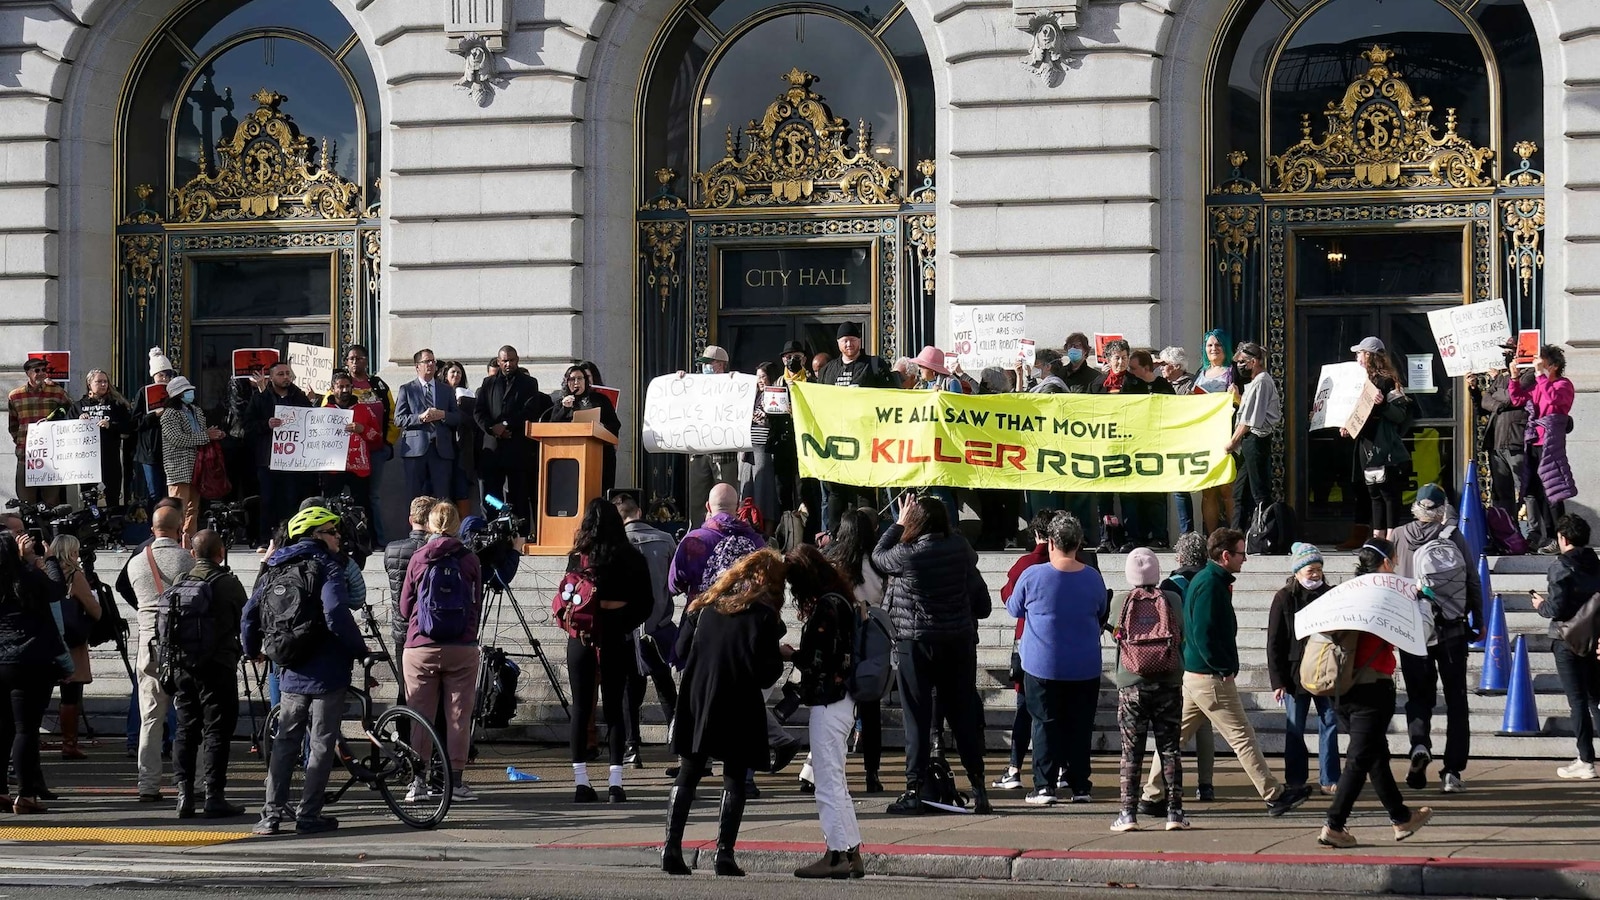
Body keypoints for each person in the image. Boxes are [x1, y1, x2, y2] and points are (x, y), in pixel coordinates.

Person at [1141, 528, 1310, 817]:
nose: (1245, 559)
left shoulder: (1208, 579)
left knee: (1174, 738)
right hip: (1209, 676)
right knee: (1242, 736)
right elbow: (1204, 634)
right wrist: (1222, 668)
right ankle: (1273, 795)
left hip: (1195, 675)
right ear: (1225, 555)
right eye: (1242, 553)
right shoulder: (1210, 584)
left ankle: (1152, 796)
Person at [661, 549, 787, 878]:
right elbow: (767, 673)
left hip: (699, 693)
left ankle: (671, 847)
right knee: (734, 776)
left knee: (689, 770)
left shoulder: (705, 604)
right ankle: (724, 854)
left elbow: (681, 650)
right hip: (739, 696)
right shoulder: (764, 614)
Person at [244, 505, 367, 835]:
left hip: (290, 667)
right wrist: (360, 650)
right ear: (316, 535)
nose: (338, 538)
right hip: (327, 669)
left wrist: (251, 649)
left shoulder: (274, 565)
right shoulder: (328, 565)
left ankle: (270, 816)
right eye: (333, 532)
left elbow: (249, 613)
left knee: (285, 741)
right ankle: (308, 815)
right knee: (323, 742)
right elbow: (336, 613)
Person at [873, 496, 992, 815]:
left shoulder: (907, 554)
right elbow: (982, 602)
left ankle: (914, 787)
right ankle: (979, 785)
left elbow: (878, 556)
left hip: (916, 641)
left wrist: (898, 522)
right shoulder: (961, 549)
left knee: (917, 716)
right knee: (962, 713)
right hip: (957, 641)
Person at [1317, 537, 1433, 849]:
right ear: (1385, 563)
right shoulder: (1388, 593)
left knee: (1375, 756)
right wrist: (1422, 601)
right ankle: (1334, 824)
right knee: (1359, 759)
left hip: (1341, 688)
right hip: (1372, 688)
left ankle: (1401, 818)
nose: (1395, 566)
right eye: (1394, 561)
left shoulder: (1349, 591)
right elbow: (1420, 635)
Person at [1006, 511, 1107, 807]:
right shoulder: (1093, 578)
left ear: (1051, 542)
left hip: (1043, 663)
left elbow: (1014, 608)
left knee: (1044, 723)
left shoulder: (1033, 576)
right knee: (1080, 725)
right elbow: (1101, 610)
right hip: (1085, 665)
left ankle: (1044, 786)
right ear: (1079, 544)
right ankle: (1080, 785)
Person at [559, 498, 651, 803]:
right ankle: (616, 782)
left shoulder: (578, 558)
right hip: (615, 638)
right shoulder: (632, 557)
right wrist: (622, 622)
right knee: (615, 709)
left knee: (581, 709)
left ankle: (581, 782)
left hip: (582, 639)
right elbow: (646, 604)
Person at [783, 545, 867, 880]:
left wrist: (793, 655)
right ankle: (851, 851)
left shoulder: (825, 607)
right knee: (836, 780)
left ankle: (835, 855)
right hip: (843, 700)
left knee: (827, 783)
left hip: (828, 700)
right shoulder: (842, 599)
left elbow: (822, 659)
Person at [1390, 483, 1480, 794]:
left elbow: (1389, 580)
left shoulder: (1399, 535)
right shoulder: (1453, 535)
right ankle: (1452, 770)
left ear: (1415, 507)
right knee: (1456, 699)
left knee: (1418, 695)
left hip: (1413, 629)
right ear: (1442, 510)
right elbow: (1471, 578)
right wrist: (1478, 618)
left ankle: (1419, 744)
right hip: (1451, 628)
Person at [398, 501, 484, 802]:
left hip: (421, 645)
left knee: (420, 715)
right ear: (458, 524)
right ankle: (456, 782)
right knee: (459, 715)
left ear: (431, 525)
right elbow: (476, 604)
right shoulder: (469, 559)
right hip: (461, 647)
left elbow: (405, 606)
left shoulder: (419, 557)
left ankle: (418, 783)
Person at [165, 530, 247, 819]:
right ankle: (214, 795)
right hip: (218, 665)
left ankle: (184, 795)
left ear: (192, 553)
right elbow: (244, 618)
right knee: (217, 732)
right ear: (220, 553)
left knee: (186, 730)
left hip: (183, 666)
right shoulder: (228, 584)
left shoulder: (180, 582)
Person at [1109, 548, 1187, 832]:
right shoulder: (1173, 599)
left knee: (1131, 752)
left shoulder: (1120, 601)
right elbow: (1183, 634)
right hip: (1168, 683)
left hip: (1131, 686)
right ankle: (1175, 813)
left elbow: (1113, 634)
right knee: (1170, 750)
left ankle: (1127, 814)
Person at [130, 505, 195, 800]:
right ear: (180, 527)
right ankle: (197, 782)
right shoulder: (185, 559)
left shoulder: (136, 562)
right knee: (190, 716)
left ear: (152, 528)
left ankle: (147, 784)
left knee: (151, 716)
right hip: (181, 644)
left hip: (148, 643)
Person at [1267, 542, 1341, 795]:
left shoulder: (1332, 595)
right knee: (1294, 727)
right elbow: (1274, 643)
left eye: (1319, 568)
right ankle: (1296, 779)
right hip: (1294, 675)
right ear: (1297, 571)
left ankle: (1329, 778)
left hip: (1325, 672)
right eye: (1310, 569)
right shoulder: (1284, 597)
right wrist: (1277, 681)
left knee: (1329, 722)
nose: (1316, 574)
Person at [614, 488, 680, 767]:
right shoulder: (664, 539)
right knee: (666, 686)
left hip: (627, 628)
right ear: (639, 512)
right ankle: (677, 743)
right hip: (659, 624)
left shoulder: (616, 544)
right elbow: (676, 584)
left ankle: (632, 747)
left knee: (630, 688)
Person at [0, 531, 65, 813]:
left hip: (1, 659)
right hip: (31, 660)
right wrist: (47, 559)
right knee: (25, 729)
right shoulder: (27, 578)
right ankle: (26, 794)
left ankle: (1, 791)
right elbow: (56, 590)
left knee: (2, 728)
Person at [824, 507, 888, 793]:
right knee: (870, 707)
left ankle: (820, 770)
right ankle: (872, 772)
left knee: (833, 705)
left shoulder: (833, 561)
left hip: (839, 634)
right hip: (871, 635)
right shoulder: (877, 562)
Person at [1533, 514, 1600, 779]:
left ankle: (1585, 760)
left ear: (1563, 538)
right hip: (1593, 637)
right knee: (1596, 698)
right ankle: (1584, 759)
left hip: (1566, 639)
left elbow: (1557, 608)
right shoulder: (1596, 564)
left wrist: (1540, 605)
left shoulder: (1561, 565)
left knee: (1578, 702)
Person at [991, 508, 1054, 792]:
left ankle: (1015, 767)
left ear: (1036, 534)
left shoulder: (1025, 564)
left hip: (1027, 640)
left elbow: (1007, 596)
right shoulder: (1071, 562)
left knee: (1024, 710)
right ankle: (1061, 767)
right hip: (1059, 644)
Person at [818, 323, 896, 536]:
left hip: (866, 441)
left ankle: (867, 536)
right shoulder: (828, 370)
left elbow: (892, 396)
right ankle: (834, 537)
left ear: (860, 341)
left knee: (864, 490)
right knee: (835, 492)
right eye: (845, 340)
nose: (849, 343)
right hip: (836, 441)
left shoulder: (873, 365)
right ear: (838, 343)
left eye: (853, 339)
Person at [1160, 531, 1215, 800]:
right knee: (1203, 725)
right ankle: (1206, 784)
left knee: (1176, 727)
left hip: (1178, 660)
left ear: (1180, 556)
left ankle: (1171, 783)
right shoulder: (1213, 581)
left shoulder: (1170, 586)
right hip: (1205, 660)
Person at [1343, 338, 1413, 542]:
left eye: (1360, 353)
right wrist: (1347, 425)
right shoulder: (1359, 382)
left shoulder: (1388, 381)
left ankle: (1391, 537)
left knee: (1388, 492)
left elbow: (1400, 415)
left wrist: (1383, 405)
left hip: (1384, 445)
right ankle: (1377, 535)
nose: (1357, 357)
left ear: (1369, 355)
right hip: (1366, 444)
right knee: (1373, 492)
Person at [475, 346, 549, 534]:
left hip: (517, 449)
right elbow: (479, 412)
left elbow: (530, 410)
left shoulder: (529, 383)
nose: (509, 364)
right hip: (493, 448)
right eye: (505, 361)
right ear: (498, 362)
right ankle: (495, 531)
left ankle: (520, 536)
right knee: (492, 496)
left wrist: (506, 425)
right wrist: (493, 428)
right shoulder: (488, 383)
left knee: (519, 495)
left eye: (512, 360)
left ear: (518, 360)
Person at [1510, 344, 1577, 553]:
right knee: (1538, 491)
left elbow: (1554, 400)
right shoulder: (1541, 384)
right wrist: (1514, 378)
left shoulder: (1564, 385)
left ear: (1554, 366)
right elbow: (1518, 399)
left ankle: (1563, 537)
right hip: (1534, 442)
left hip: (1550, 444)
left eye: (1544, 364)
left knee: (1554, 492)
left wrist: (1539, 375)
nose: (1539, 367)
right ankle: (1549, 537)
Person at [245, 362, 315, 544]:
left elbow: (312, 421)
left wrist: (313, 402)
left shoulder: (299, 396)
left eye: (287, 374)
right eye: (281, 374)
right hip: (267, 459)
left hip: (292, 460)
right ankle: (265, 539)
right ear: (272, 378)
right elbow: (246, 426)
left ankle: (290, 538)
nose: (285, 377)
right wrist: (265, 425)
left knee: (291, 500)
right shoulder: (261, 399)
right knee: (268, 500)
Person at [44, 534, 100, 761]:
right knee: (71, 692)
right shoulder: (74, 575)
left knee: (42, 690)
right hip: (72, 641)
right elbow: (95, 610)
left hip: (47, 639)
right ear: (72, 552)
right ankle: (69, 743)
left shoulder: (43, 571)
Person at [668, 483, 767, 605]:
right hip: (745, 617)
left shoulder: (693, 540)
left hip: (701, 617)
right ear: (737, 507)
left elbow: (674, 584)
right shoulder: (757, 542)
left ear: (708, 507)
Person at [159, 375, 223, 543]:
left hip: (198, 465)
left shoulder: (196, 411)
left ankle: (189, 539)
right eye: (187, 391)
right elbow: (177, 439)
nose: (191, 393)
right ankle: (173, 540)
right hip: (178, 465)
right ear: (179, 394)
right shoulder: (169, 415)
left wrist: (212, 434)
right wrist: (205, 436)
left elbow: (199, 433)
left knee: (192, 508)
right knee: (177, 507)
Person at [343, 344, 396, 544]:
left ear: (367, 360)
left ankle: (378, 539)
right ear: (346, 362)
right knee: (353, 497)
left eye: (359, 358)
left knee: (372, 497)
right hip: (348, 452)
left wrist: (388, 442)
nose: (355, 362)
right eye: (351, 358)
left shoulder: (378, 385)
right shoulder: (341, 384)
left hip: (375, 450)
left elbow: (392, 415)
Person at [1123, 349, 1176, 548]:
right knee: (1131, 495)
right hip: (1132, 445)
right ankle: (1134, 537)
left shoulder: (1163, 386)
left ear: (1146, 368)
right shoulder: (1128, 385)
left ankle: (1158, 536)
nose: (1130, 371)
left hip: (1156, 447)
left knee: (1155, 495)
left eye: (1133, 368)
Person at [394, 349, 461, 504]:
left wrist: (443, 415)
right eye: (426, 361)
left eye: (433, 361)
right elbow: (398, 419)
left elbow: (457, 417)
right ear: (417, 366)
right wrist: (419, 417)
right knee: (415, 498)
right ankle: (416, 528)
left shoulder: (446, 390)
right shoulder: (407, 389)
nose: (431, 364)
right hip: (415, 451)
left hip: (441, 450)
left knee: (442, 498)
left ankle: (440, 528)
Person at [1224, 342, 1280, 528]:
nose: (1239, 366)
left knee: (1259, 491)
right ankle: (1236, 532)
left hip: (1256, 440)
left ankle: (1268, 532)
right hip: (1249, 442)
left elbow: (1249, 421)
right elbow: (1250, 409)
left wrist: (1232, 442)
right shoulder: (1255, 382)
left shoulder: (1262, 381)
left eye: (1242, 361)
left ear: (1254, 361)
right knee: (1240, 492)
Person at [383, 496, 437, 688]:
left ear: (410, 519)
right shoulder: (435, 549)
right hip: (431, 629)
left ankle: (402, 717)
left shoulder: (392, 549)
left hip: (402, 629)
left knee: (405, 690)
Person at [684, 346, 740, 528]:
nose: (705, 367)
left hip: (723, 452)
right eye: (703, 363)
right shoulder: (696, 385)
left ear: (722, 365)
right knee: (697, 500)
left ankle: (726, 531)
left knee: (725, 498)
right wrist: (680, 381)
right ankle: (698, 534)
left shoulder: (734, 384)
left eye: (709, 363)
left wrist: (736, 383)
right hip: (699, 451)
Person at [545, 363, 622, 492]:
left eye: (580, 378)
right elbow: (553, 426)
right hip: (571, 456)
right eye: (572, 379)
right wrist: (565, 409)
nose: (576, 383)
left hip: (600, 453)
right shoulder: (561, 403)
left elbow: (615, 424)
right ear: (566, 382)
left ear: (586, 381)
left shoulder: (600, 399)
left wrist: (602, 427)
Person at [320, 370, 382, 524]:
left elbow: (378, 436)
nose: (345, 390)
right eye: (340, 386)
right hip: (332, 466)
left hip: (359, 466)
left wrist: (364, 430)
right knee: (330, 503)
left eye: (348, 386)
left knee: (362, 504)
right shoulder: (323, 411)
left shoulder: (364, 410)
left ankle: (366, 539)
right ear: (332, 388)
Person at [8, 356, 71, 505]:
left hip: (51, 456)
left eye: (44, 370)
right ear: (28, 373)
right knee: (26, 500)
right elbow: (13, 425)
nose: (42, 373)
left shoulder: (57, 392)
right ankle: (28, 529)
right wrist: (21, 440)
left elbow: (70, 411)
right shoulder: (15, 395)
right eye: (37, 370)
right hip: (26, 456)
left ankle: (49, 528)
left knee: (52, 500)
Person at [1193, 330, 1235, 534]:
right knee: (1208, 491)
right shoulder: (1200, 372)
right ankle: (1211, 536)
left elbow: (1241, 401)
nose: (1213, 349)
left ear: (1225, 348)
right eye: (1209, 345)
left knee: (1227, 489)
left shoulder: (1232, 372)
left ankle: (1235, 533)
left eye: (1217, 345)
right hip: (1203, 436)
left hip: (1225, 435)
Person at [73, 369, 134, 510]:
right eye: (99, 381)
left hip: (110, 459)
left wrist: (110, 425)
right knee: (89, 499)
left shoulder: (116, 404)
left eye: (105, 381)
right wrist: (78, 420)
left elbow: (128, 427)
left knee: (112, 497)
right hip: (87, 463)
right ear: (89, 384)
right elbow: (65, 428)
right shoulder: (79, 406)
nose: (103, 384)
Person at [132, 349, 177, 514]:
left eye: (167, 375)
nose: (164, 378)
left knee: (170, 492)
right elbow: (135, 422)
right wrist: (153, 415)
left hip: (171, 450)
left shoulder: (175, 392)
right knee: (154, 493)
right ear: (154, 376)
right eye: (161, 375)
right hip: (150, 450)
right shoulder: (143, 393)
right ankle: (154, 528)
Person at [441, 360, 479, 518]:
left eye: (459, 372)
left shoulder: (467, 393)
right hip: (443, 445)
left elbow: (473, 420)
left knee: (462, 488)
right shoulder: (440, 393)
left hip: (463, 447)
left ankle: (465, 529)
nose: (456, 375)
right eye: (452, 372)